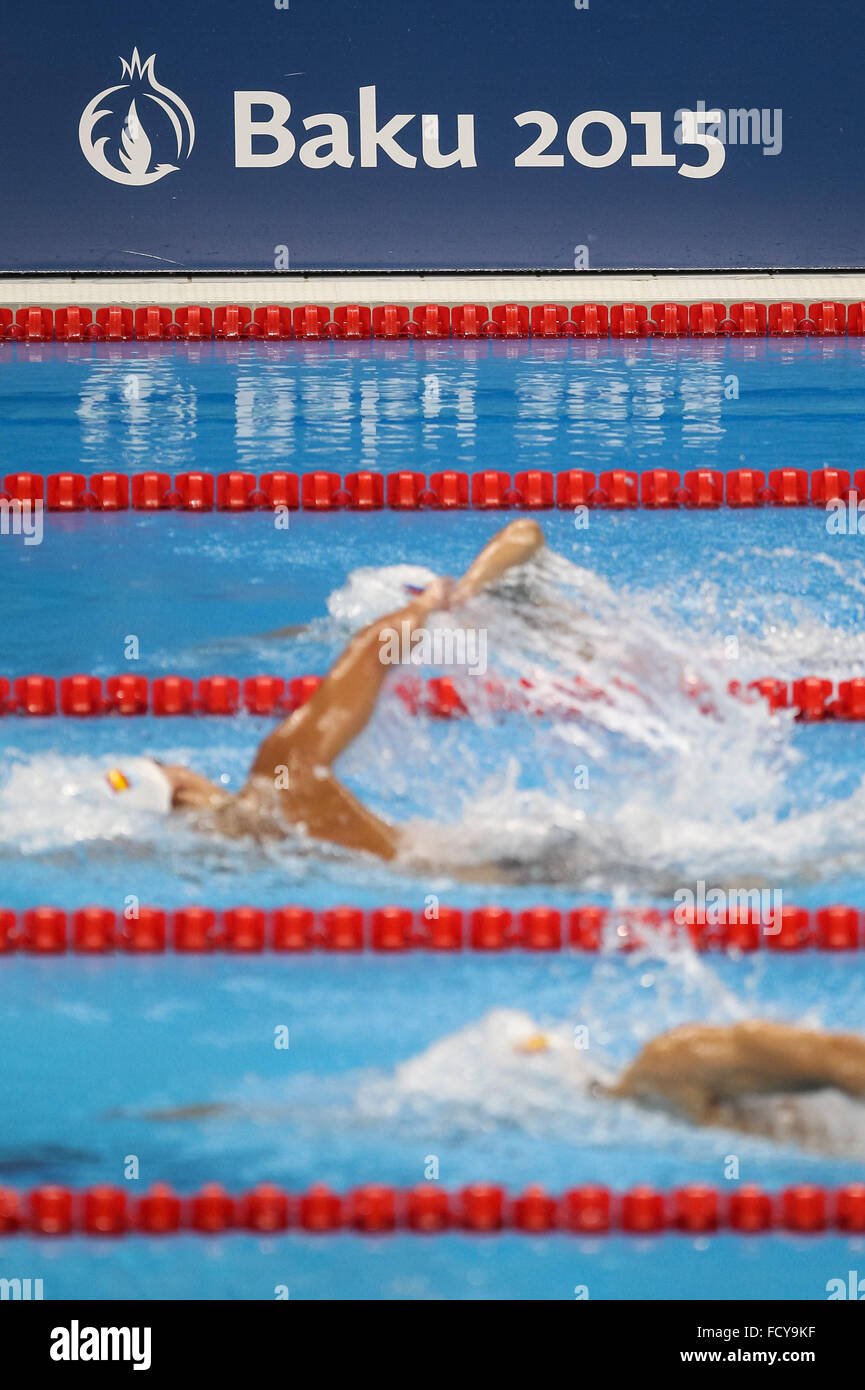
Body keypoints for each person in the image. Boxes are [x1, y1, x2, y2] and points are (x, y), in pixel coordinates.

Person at [105, 520, 546, 858]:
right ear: (178, 786)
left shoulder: (253, 846)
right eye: (163, 762)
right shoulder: (280, 778)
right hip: (504, 869)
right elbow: (371, 651)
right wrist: (429, 601)